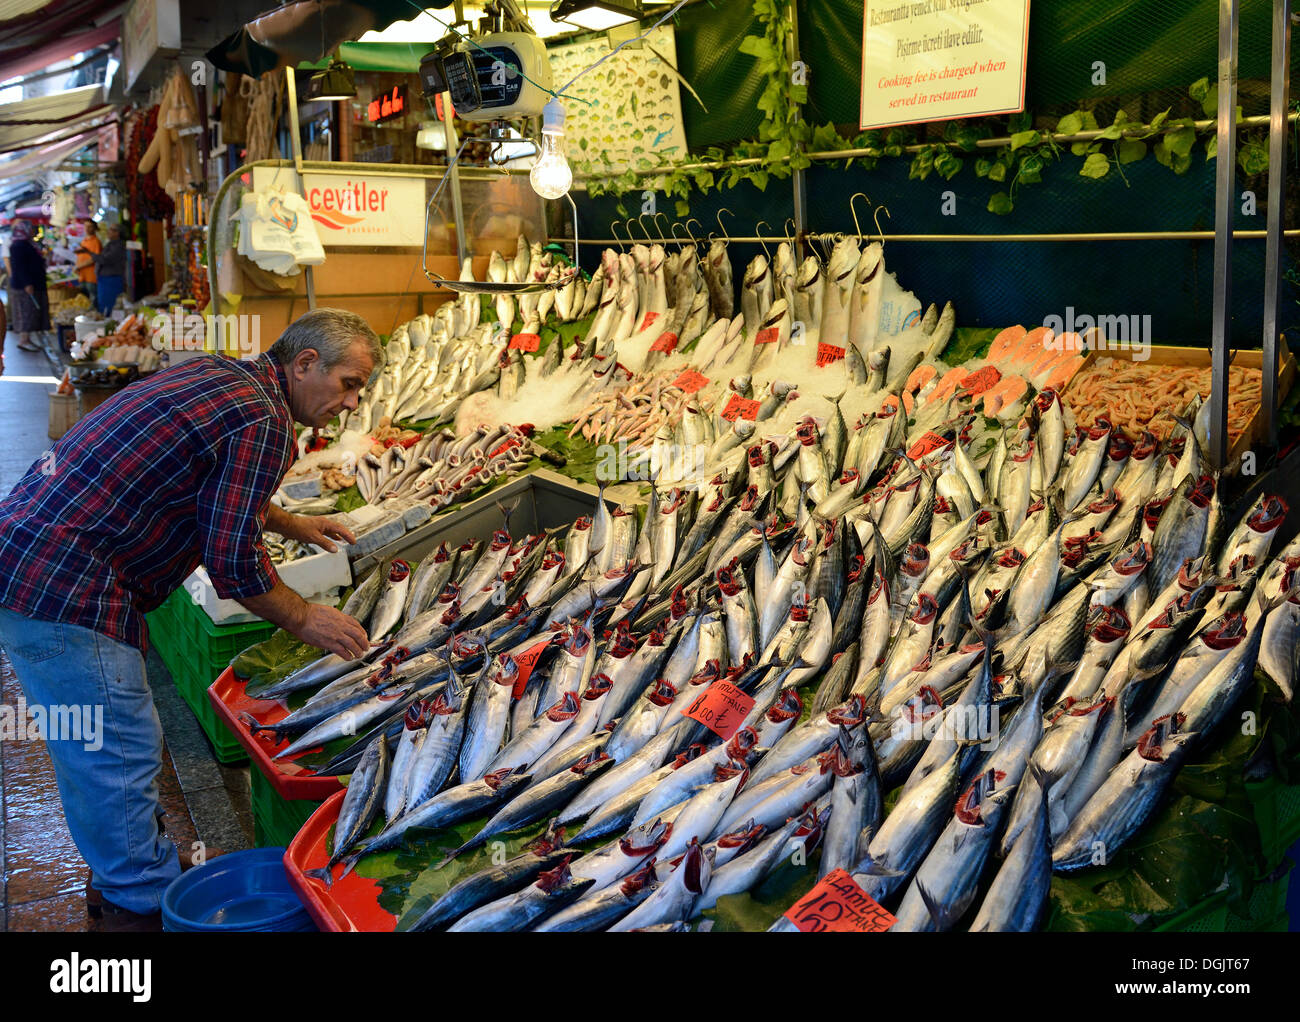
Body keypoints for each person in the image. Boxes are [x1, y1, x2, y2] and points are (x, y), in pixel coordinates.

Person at [0, 307, 378, 931]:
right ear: (305, 363)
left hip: (33, 553)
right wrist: (305, 619)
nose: (352, 403)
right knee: (113, 750)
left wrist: (292, 522)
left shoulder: (226, 378)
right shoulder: (264, 422)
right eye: (349, 384)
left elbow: (217, 489)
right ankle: (140, 906)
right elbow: (234, 565)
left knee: (106, 747)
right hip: (67, 587)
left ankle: (126, 867)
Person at [8, 219, 49, 352]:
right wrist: (27, 283)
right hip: (24, 287)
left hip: (31, 284)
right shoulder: (18, 246)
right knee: (26, 312)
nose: (33, 231)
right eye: (30, 228)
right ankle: (24, 339)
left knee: (31, 312)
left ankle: (27, 339)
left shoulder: (27, 244)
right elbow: (18, 267)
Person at [91, 222, 126, 317]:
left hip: (111, 281)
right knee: (104, 305)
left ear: (117, 233)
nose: (108, 232)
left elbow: (106, 259)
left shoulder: (118, 246)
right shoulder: (111, 244)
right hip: (105, 280)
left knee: (111, 307)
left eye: (111, 230)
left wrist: (92, 255)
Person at [74, 220, 100, 300]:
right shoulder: (84, 241)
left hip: (91, 276)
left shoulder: (96, 242)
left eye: (90, 226)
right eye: (85, 226)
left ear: (94, 228)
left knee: (93, 298)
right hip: (83, 275)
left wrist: (78, 266)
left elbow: (94, 259)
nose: (87, 228)